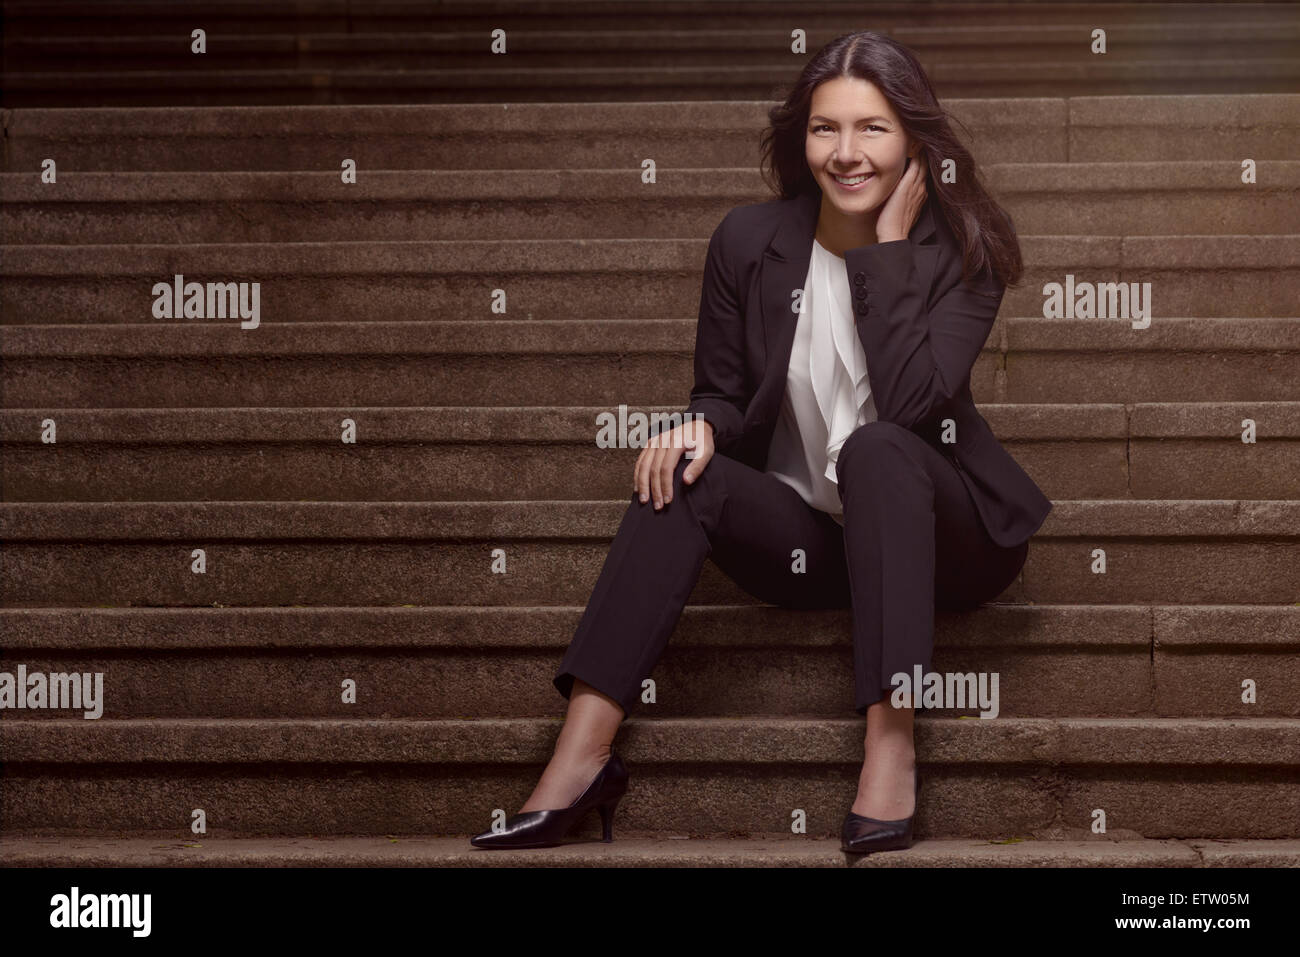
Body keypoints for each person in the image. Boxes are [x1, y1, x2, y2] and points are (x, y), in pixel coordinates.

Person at [470, 31, 1052, 854]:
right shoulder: (748, 242)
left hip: (947, 540)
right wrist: (700, 423)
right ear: (800, 136)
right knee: (680, 464)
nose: (846, 153)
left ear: (917, 141)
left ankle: (891, 745)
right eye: (825, 129)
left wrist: (886, 251)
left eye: (873, 129)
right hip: (815, 546)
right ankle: (581, 755)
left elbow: (918, 403)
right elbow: (721, 392)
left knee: (877, 447)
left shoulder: (962, 251)